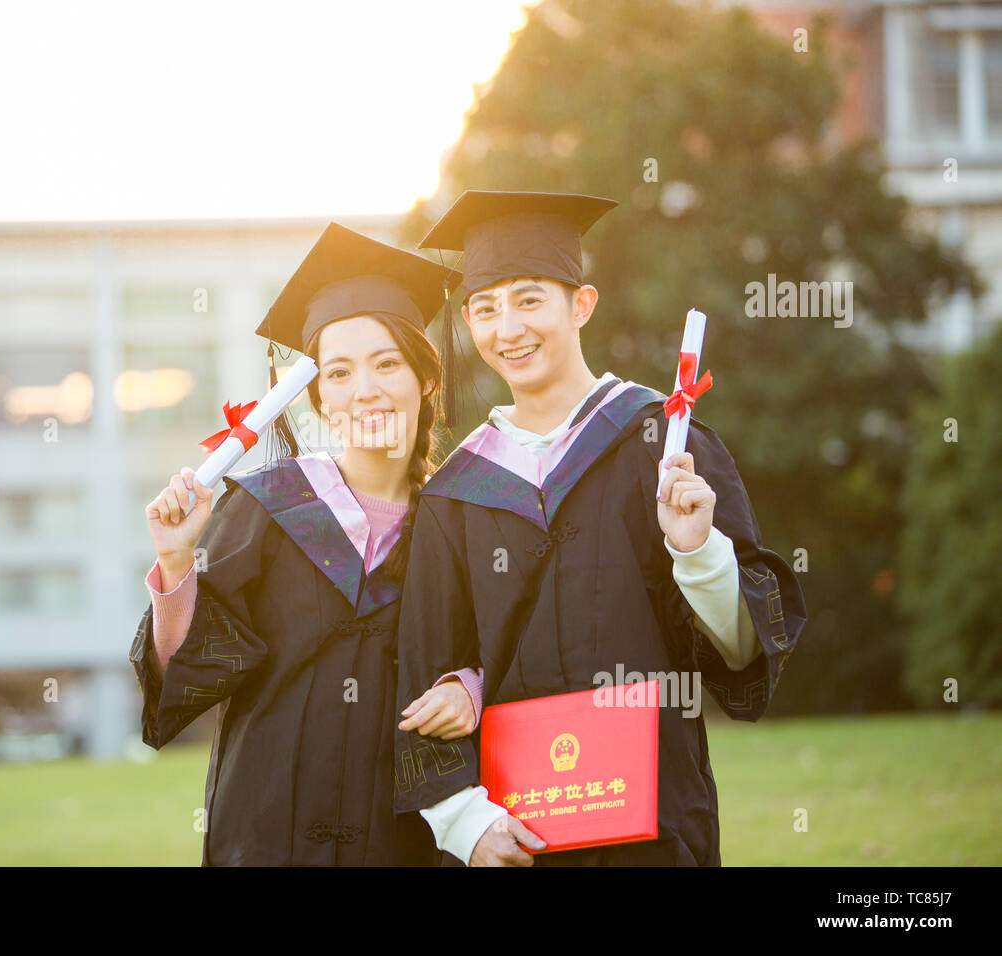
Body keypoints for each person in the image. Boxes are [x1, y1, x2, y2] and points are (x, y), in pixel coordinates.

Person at [393, 191, 808, 866]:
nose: (508, 328)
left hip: (652, 828)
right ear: (468, 320)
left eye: (530, 299)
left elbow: (739, 654)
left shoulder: (661, 444)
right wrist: (467, 826)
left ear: (580, 305)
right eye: (488, 308)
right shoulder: (456, 491)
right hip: (514, 834)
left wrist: (697, 550)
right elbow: (423, 676)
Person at [131, 223, 480, 865]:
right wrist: (177, 559)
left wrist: (472, 687)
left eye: (386, 363)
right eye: (339, 372)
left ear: (425, 378)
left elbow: (510, 647)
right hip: (268, 833)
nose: (364, 389)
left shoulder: (461, 521)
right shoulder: (271, 507)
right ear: (318, 395)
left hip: (404, 836)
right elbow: (186, 679)